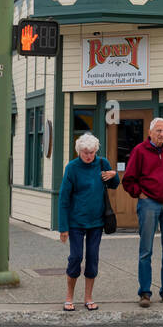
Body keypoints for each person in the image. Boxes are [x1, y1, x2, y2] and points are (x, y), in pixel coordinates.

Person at [121, 117, 163, 308]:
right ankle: (145, 293)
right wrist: (139, 194)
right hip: (148, 204)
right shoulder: (139, 151)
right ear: (150, 133)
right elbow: (128, 180)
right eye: (159, 131)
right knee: (146, 251)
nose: (162, 134)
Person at [57, 132, 119, 311]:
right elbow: (63, 199)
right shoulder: (72, 168)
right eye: (85, 152)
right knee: (75, 258)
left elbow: (114, 184)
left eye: (92, 152)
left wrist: (114, 174)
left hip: (97, 222)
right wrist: (63, 228)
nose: (89, 155)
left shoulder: (101, 163)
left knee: (92, 259)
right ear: (78, 151)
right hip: (76, 221)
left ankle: (88, 297)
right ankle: (69, 297)